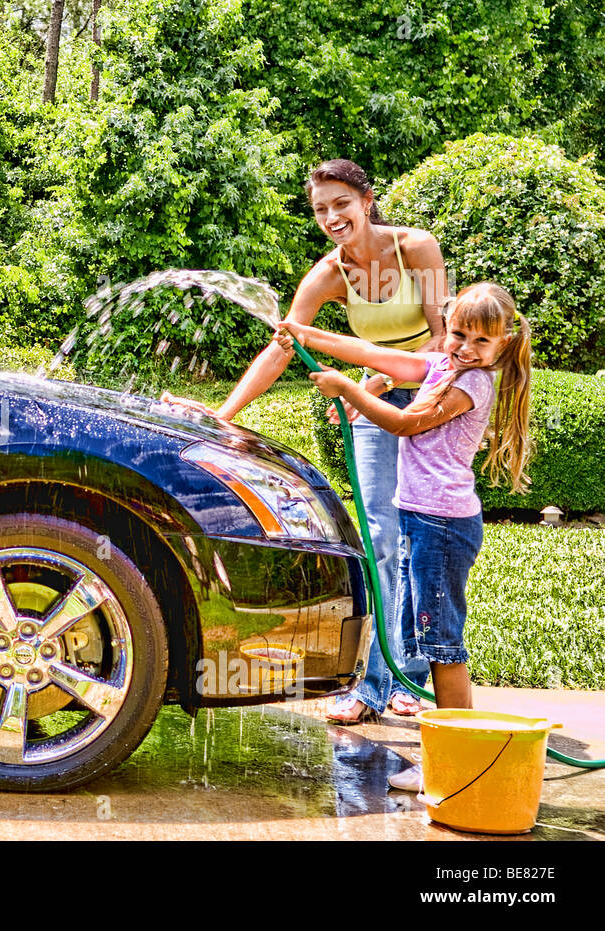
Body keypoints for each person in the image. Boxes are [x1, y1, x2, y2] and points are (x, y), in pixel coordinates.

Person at [178, 159, 449, 723]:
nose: (332, 217)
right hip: (373, 406)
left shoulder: (415, 249)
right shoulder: (327, 275)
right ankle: (374, 684)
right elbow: (283, 345)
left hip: (430, 404)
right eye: (321, 209)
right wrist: (224, 413)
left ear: (367, 200)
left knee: (420, 538)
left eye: (341, 204)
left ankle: (412, 676)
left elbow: (444, 346)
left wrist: (375, 383)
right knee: (380, 538)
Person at [274, 282, 532, 790]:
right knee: (428, 635)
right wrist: (306, 333)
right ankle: (453, 758)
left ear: (502, 346)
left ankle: (456, 767)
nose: (464, 347)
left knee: (442, 644)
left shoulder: (471, 385)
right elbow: (373, 353)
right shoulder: (442, 366)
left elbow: (406, 424)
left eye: (481, 341)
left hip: (443, 527)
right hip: (424, 521)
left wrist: (349, 391)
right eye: (457, 333)